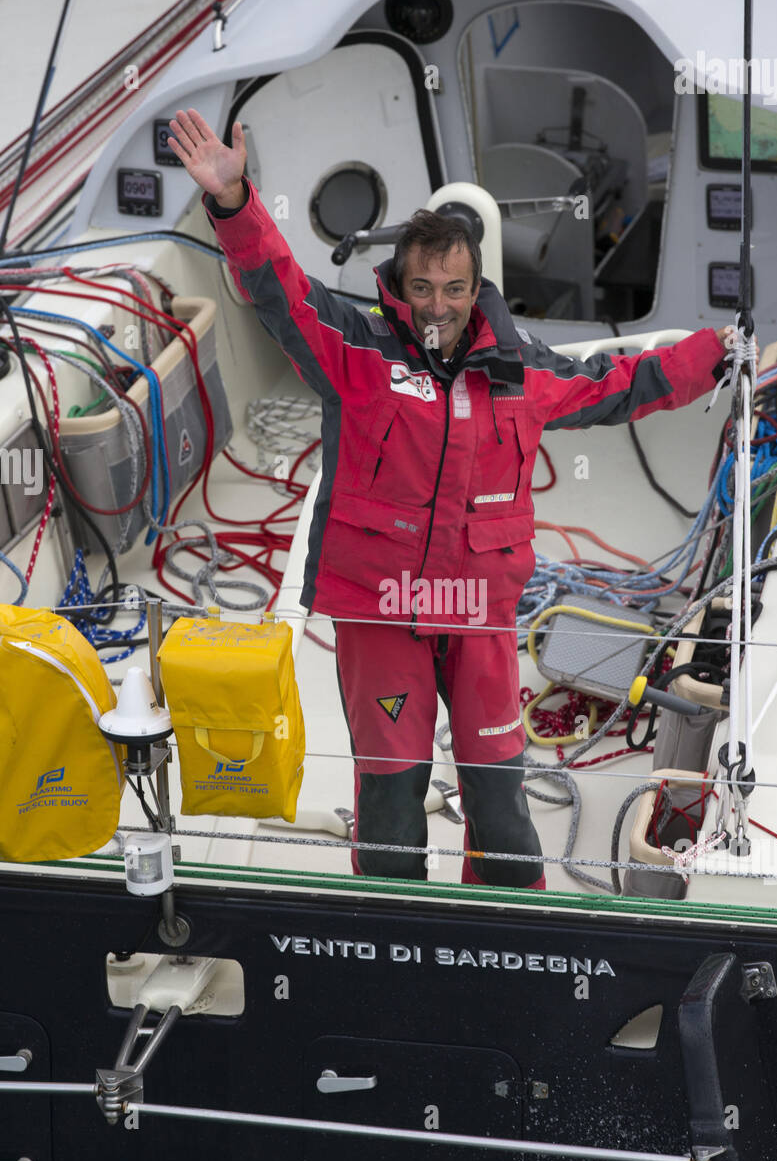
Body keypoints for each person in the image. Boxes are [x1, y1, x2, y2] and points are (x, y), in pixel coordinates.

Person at [168, 107, 734, 891]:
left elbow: (620, 384)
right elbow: (279, 292)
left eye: (455, 288)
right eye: (423, 287)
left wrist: (715, 354)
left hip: (479, 614)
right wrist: (233, 204)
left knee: (500, 799)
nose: (438, 304)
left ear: (477, 289)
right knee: (393, 798)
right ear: (399, 285)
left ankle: (507, 929)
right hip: (384, 611)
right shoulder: (353, 351)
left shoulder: (520, 370)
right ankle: (392, 928)